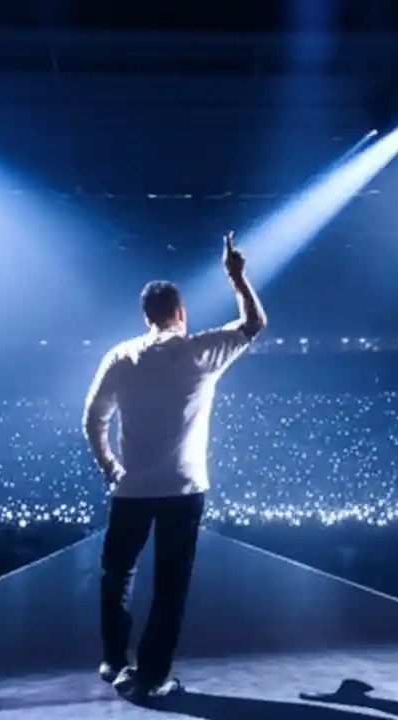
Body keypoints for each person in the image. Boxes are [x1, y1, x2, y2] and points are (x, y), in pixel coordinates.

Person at [82, 231, 267, 698]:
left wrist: (109, 466)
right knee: (170, 585)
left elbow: (92, 420)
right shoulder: (199, 352)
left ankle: (112, 659)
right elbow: (254, 323)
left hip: (130, 490)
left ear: (145, 316)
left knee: (116, 575)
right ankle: (152, 676)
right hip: (184, 491)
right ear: (180, 313)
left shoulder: (120, 357)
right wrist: (236, 278)